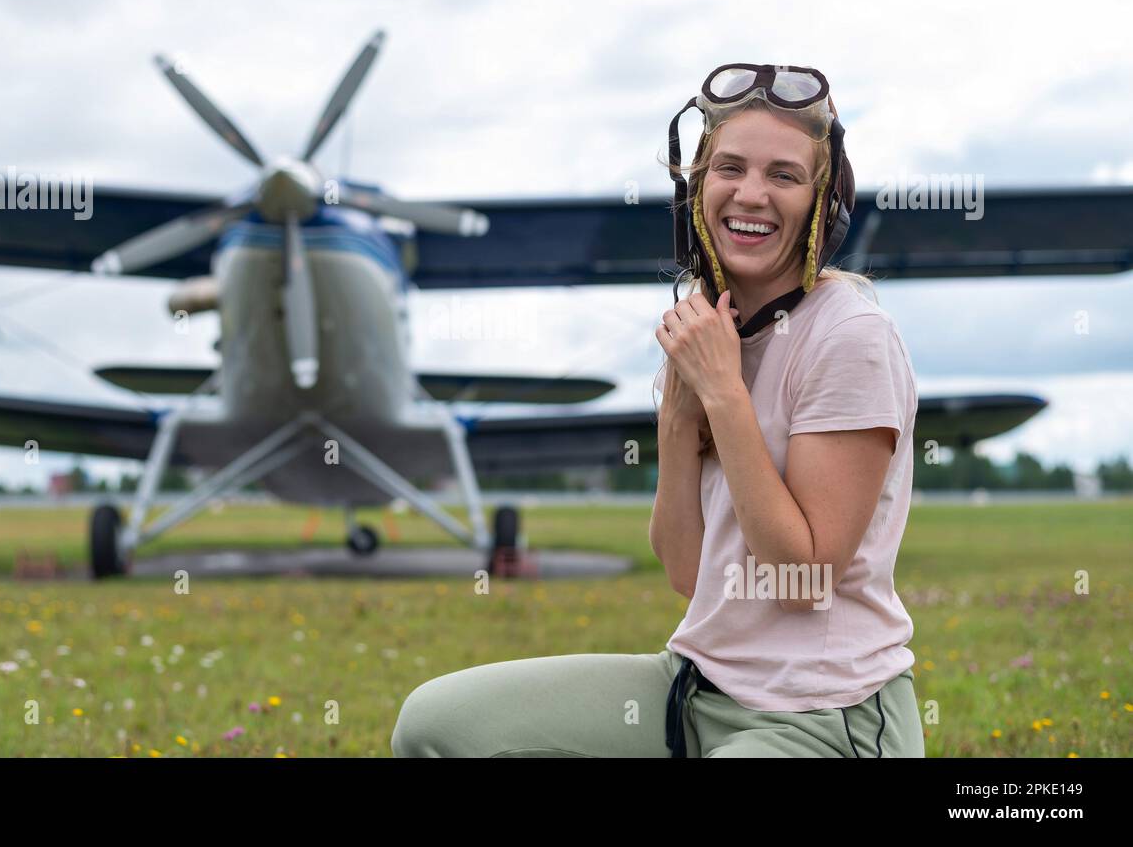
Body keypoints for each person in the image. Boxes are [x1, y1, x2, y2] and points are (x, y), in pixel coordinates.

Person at [389, 63, 924, 757]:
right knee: (433, 726)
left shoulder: (850, 335)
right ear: (696, 190)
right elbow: (685, 573)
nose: (751, 194)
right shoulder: (708, 332)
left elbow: (806, 579)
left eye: (784, 175)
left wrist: (725, 396)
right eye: (729, 168)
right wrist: (678, 416)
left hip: (825, 717)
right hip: (695, 690)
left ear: (825, 207)